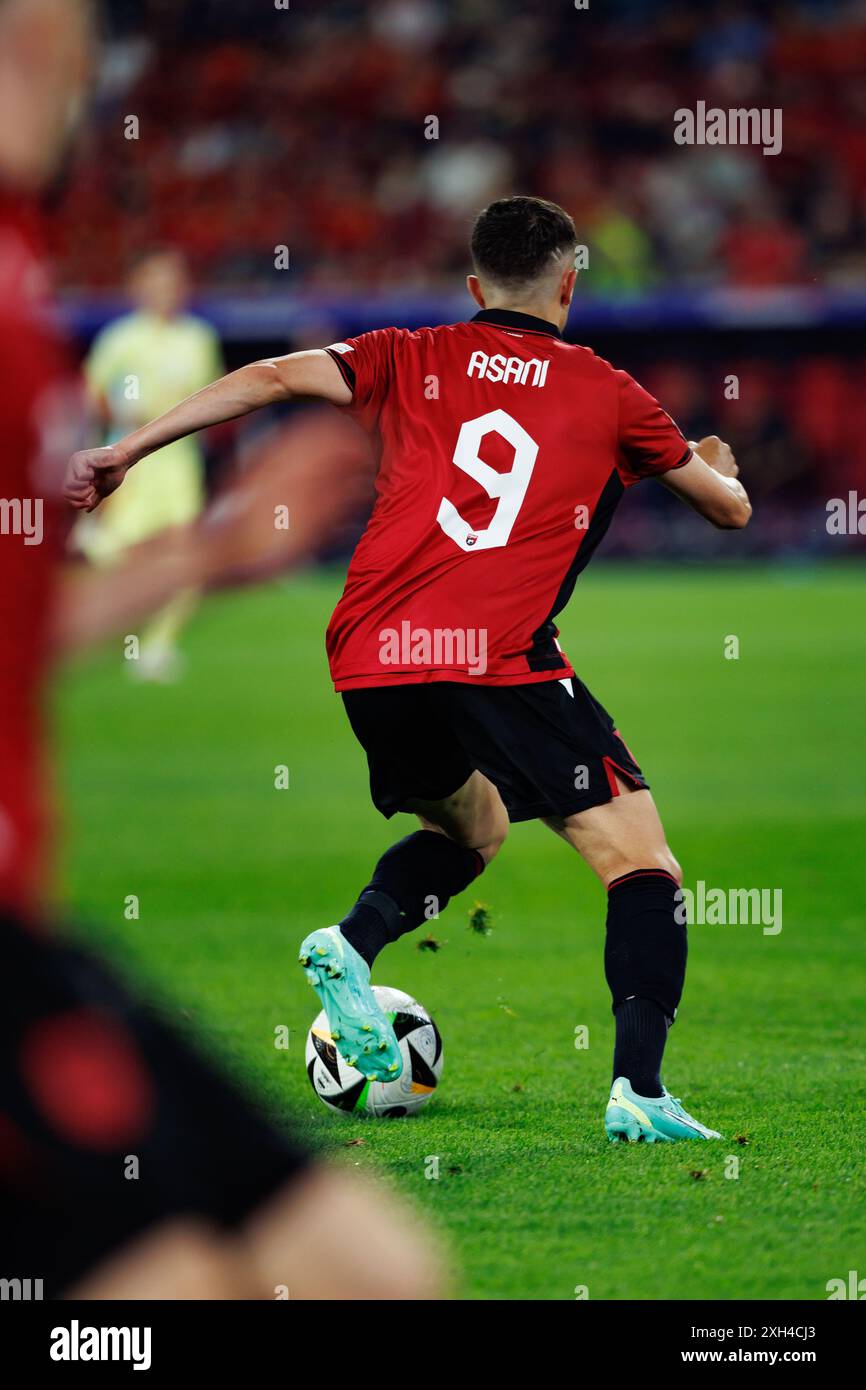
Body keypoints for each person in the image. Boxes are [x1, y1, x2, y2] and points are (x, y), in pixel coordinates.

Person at [66, 195, 752, 1145]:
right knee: (642, 863)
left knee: (476, 825)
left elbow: (267, 377)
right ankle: (639, 1090)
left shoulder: (407, 352)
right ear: (569, 282)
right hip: (494, 657)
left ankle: (351, 943)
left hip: (371, 651)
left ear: (475, 288)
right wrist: (718, 465)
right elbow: (727, 511)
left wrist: (125, 449)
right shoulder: (607, 388)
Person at [2, 0, 440, 1299]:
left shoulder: (26, 274)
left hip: (26, 938)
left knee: (366, 1268)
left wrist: (219, 548)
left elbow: (25, 633)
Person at [75, 247, 224, 680]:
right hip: (129, 454)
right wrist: (112, 426)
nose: (166, 290)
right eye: (156, 281)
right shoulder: (121, 338)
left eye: (174, 281)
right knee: (122, 550)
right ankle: (123, 631)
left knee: (185, 552)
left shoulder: (197, 337)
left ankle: (157, 647)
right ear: (138, 287)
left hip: (177, 459)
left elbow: (212, 394)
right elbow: (91, 391)